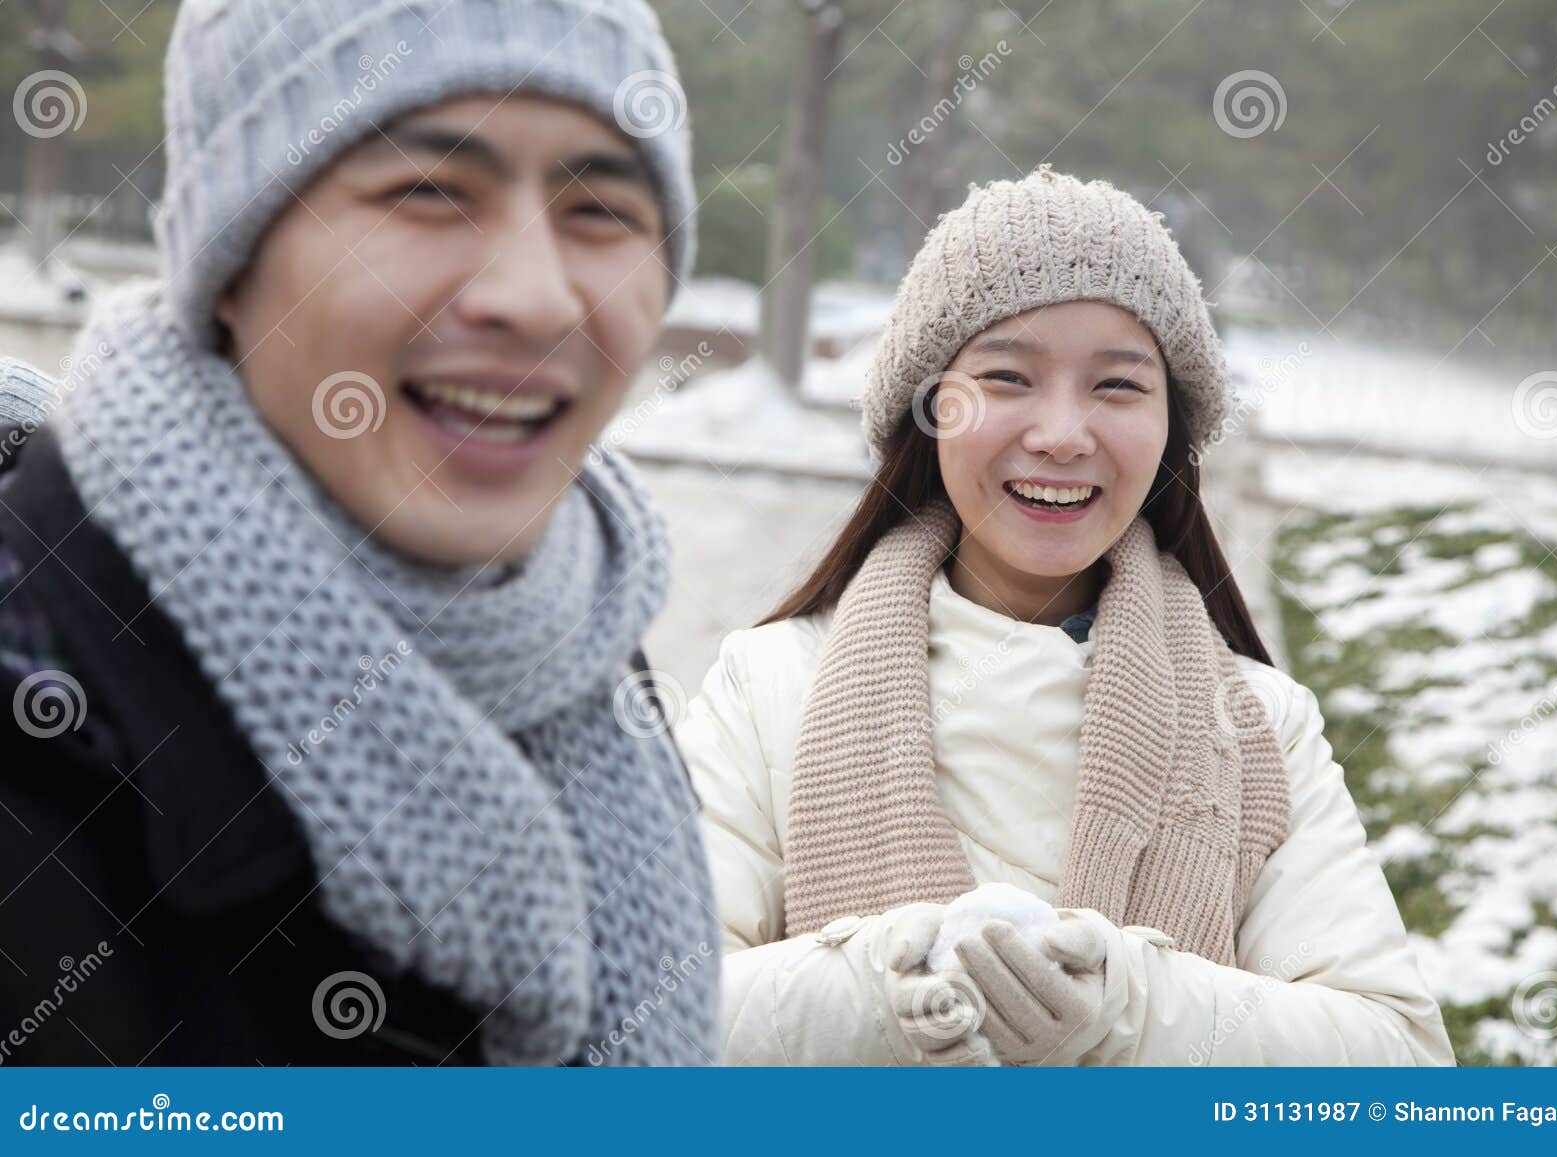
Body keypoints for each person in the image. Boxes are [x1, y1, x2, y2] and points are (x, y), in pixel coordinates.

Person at [0, 0, 719, 1066]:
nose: (534, 297)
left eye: (601, 209)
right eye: (428, 192)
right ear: (229, 263)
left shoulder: (577, 646)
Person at [677, 167, 1455, 1066]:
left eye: (1118, 387)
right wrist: (880, 997)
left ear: (1174, 427)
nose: (1061, 433)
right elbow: (640, 1033)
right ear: (930, 408)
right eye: (1007, 375)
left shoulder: (1261, 727)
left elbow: (1398, 1065)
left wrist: (1124, 1010)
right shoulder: (770, 683)